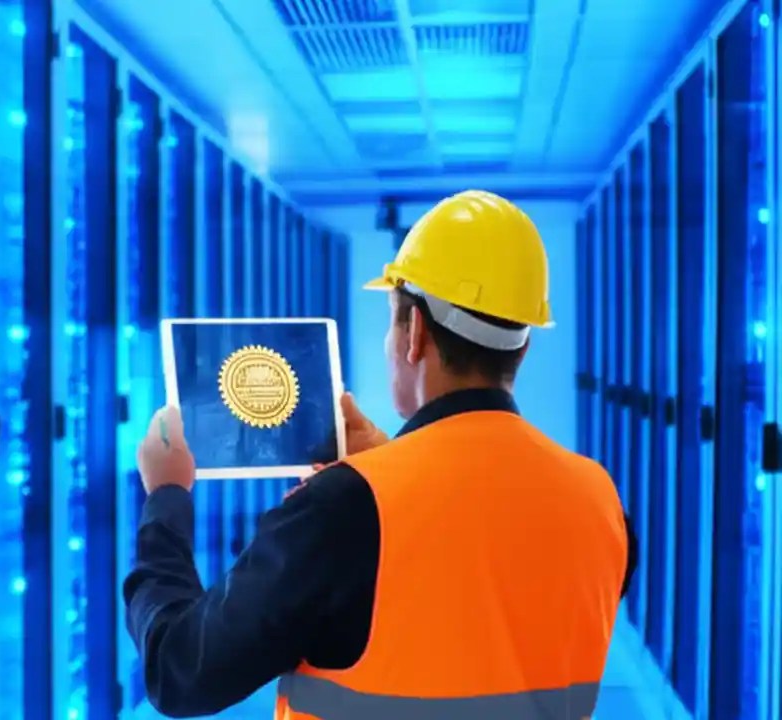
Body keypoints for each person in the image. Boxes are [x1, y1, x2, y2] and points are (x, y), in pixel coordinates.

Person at [123, 190, 638, 719]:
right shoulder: (600, 503)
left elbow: (179, 670)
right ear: (522, 346)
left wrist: (165, 496)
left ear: (413, 333)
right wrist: (396, 460)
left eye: (393, 320)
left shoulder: (341, 509)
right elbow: (483, 588)